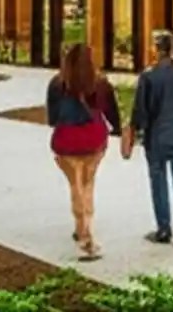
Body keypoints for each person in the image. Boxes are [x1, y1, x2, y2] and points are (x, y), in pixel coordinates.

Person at [122, 29, 173, 243]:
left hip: (157, 135)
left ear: (156, 49)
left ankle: (164, 228)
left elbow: (140, 110)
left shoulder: (149, 76)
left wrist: (133, 133)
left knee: (158, 180)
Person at [45, 44, 120, 262]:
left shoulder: (57, 84)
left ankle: (82, 230)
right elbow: (112, 115)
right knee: (88, 183)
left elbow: (52, 118)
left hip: (67, 140)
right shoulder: (101, 83)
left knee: (75, 184)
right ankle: (86, 230)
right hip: (93, 138)